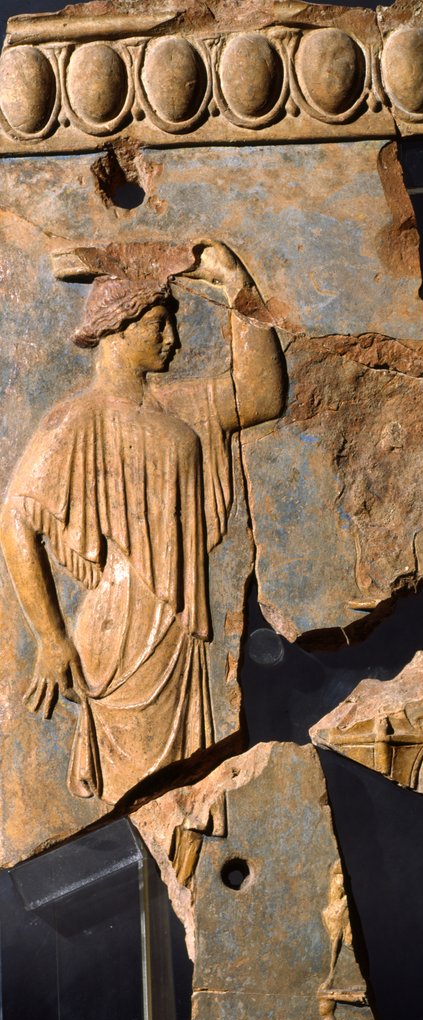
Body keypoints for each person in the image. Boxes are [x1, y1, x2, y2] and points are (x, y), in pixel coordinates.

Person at [0, 240, 285, 806]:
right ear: (118, 326)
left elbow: (261, 395)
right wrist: (51, 638)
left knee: (187, 785)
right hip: (119, 625)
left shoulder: (180, 406)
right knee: (140, 788)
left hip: (182, 621)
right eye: (158, 324)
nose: (173, 339)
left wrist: (237, 286)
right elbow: (15, 520)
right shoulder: (77, 419)